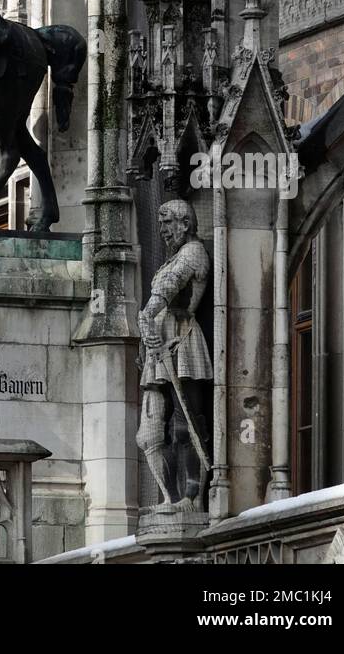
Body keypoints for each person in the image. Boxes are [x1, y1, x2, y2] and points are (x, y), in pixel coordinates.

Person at [137, 198, 212, 513]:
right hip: (160, 349)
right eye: (161, 224)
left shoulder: (193, 253)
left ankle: (192, 497)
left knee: (186, 425)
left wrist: (147, 315)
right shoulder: (175, 255)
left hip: (182, 343)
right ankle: (168, 498)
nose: (163, 230)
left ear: (185, 222)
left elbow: (169, 287)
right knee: (150, 435)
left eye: (168, 223)